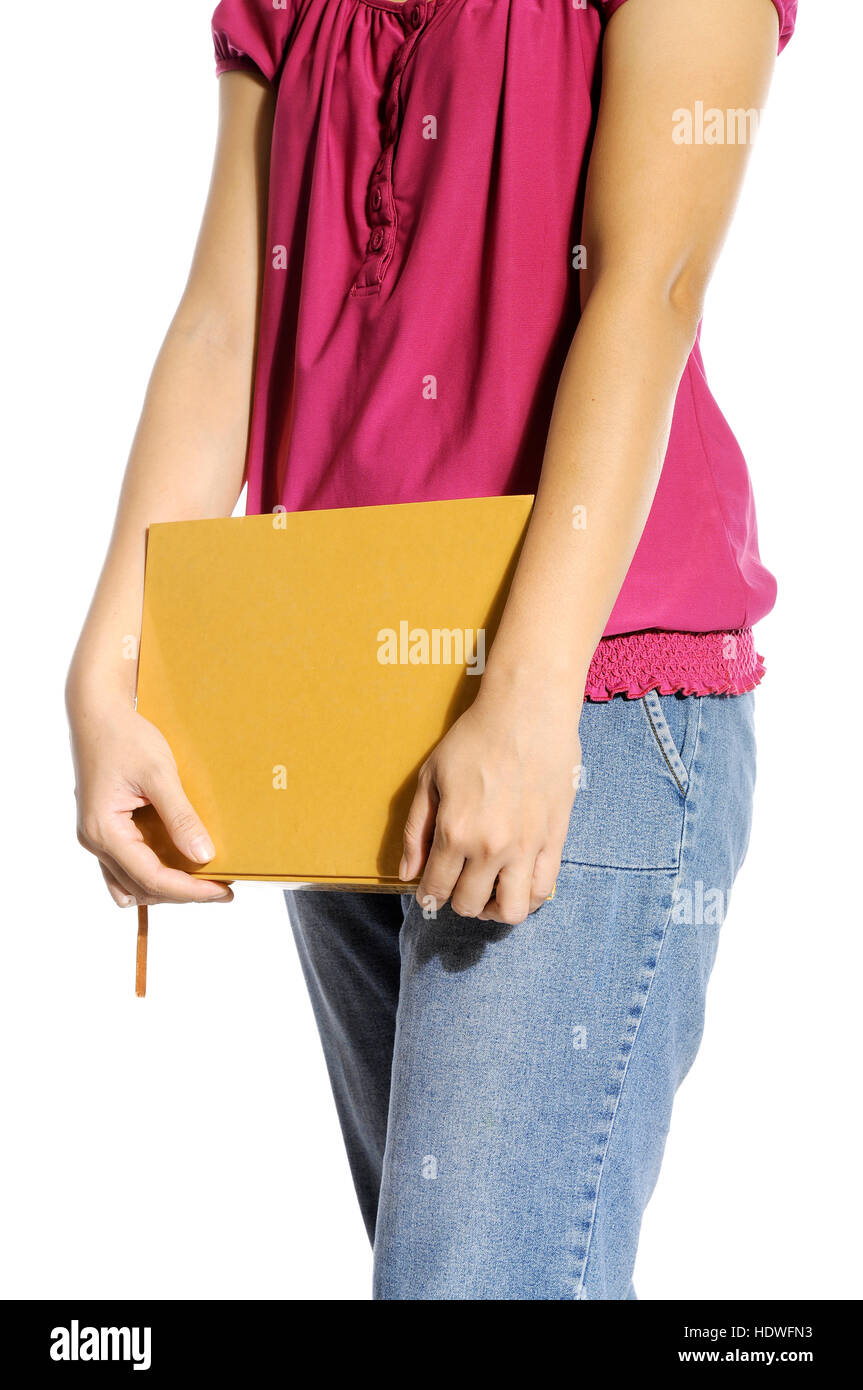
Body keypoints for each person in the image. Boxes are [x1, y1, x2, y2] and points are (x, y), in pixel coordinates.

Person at [66, 0, 797, 1299]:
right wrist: (111, 661)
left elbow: (654, 283)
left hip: (582, 689)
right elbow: (219, 326)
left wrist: (526, 700)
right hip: (339, 696)